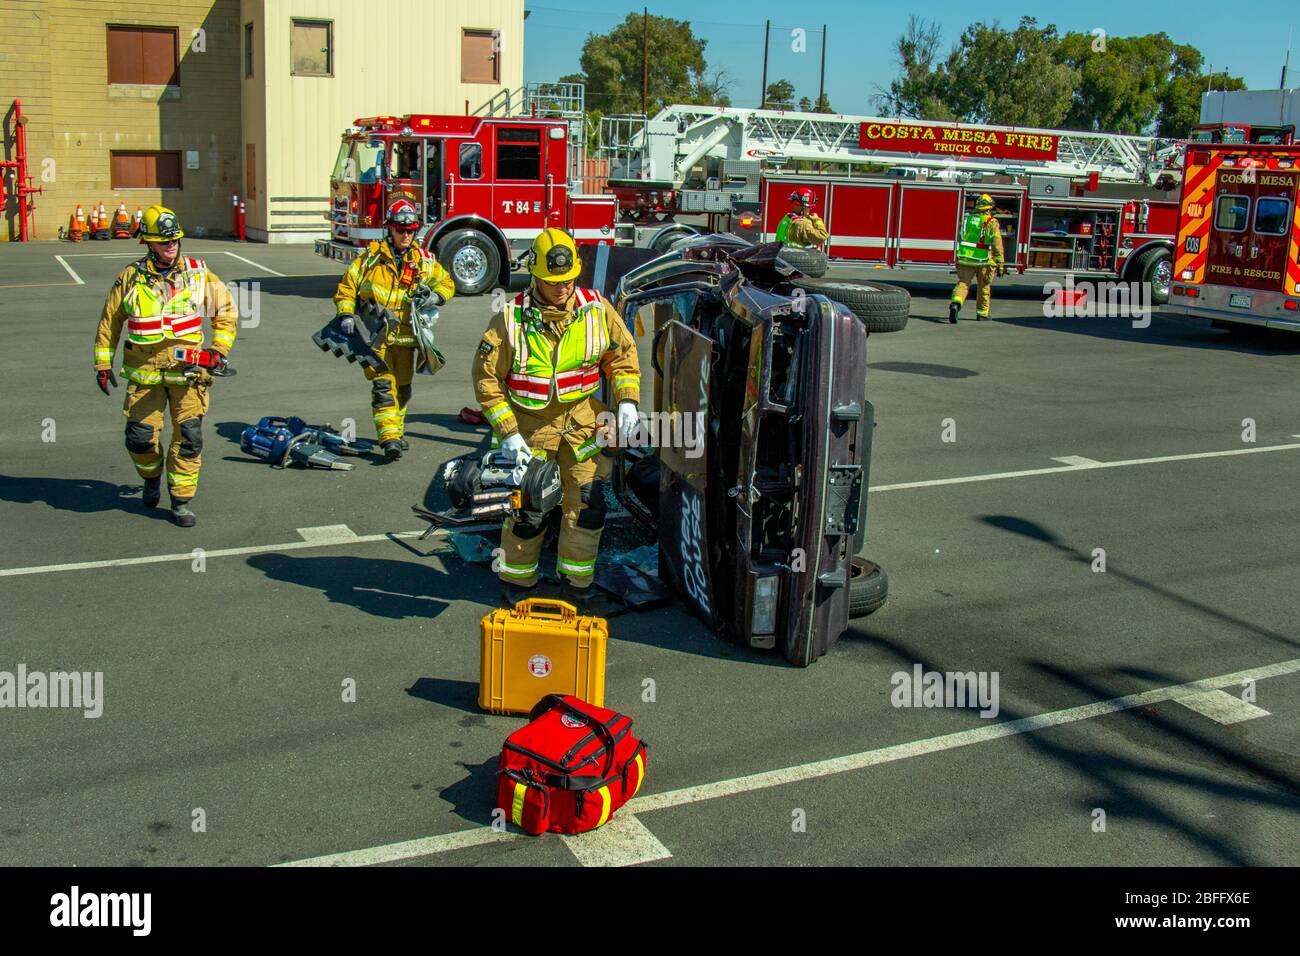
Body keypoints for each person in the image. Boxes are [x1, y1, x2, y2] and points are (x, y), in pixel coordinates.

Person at [472, 228, 641, 606]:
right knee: (528, 510)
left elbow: (624, 356)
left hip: (582, 424)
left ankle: (576, 586)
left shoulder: (597, 310)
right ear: (535, 275)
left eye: (567, 279)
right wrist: (508, 432)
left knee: (587, 505)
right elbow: (486, 378)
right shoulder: (510, 318)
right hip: (530, 431)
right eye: (552, 281)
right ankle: (519, 583)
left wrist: (627, 400)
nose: (561, 287)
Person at [93, 205, 237, 527]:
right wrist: (102, 364)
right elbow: (110, 321)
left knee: (189, 437)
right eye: (163, 242)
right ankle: (152, 476)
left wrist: (218, 349)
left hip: (188, 377)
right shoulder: (130, 278)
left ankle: (181, 501)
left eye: (174, 241)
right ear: (148, 243)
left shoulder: (199, 274)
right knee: (139, 438)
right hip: (145, 377)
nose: (171, 247)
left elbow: (225, 311)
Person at [332, 198, 455, 459]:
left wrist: (435, 297)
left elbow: (447, 282)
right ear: (390, 229)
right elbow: (347, 288)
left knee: (403, 388)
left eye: (411, 230)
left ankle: (396, 432)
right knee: (383, 388)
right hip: (378, 340)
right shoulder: (370, 259)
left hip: (407, 341)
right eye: (401, 230)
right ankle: (388, 438)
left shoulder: (423, 261)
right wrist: (345, 314)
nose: (406, 235)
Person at [950, 193, 1007, 322]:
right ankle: (982, 314)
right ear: (989, 208)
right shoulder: (991, 222)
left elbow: (961, 238)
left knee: (963, 284)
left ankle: (956, 303)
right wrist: (1000, 263)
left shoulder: (967, 219)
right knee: (984, 287)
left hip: (965, 259)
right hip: (984, 261)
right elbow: (997, 244)